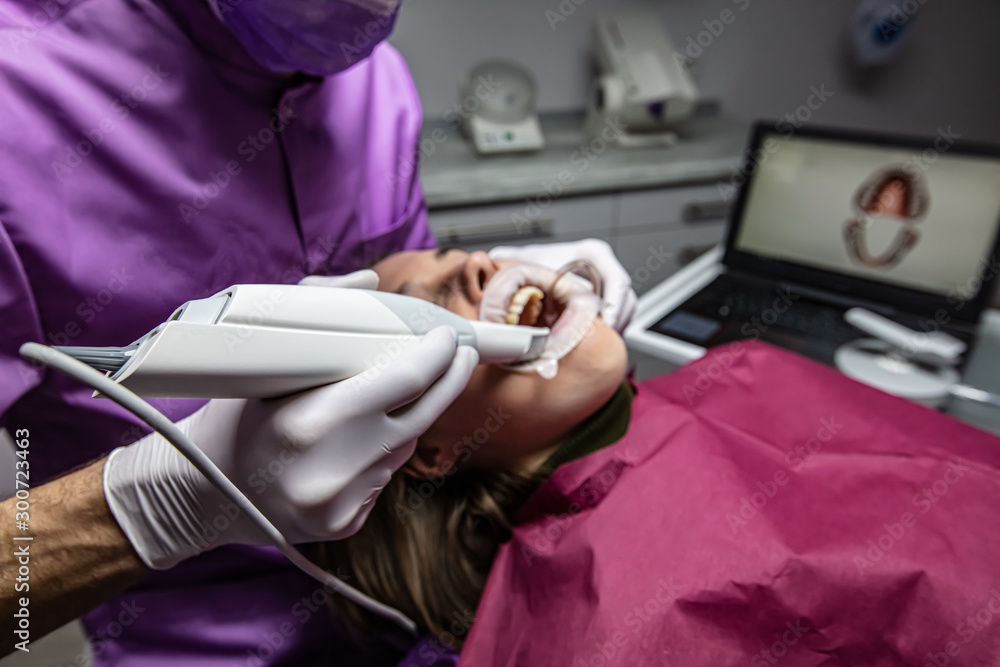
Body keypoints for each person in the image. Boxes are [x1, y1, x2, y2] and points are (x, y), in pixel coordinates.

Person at [0, 0, 637, 662]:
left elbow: (407, 293)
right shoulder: (16, 103)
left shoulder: (371, 76)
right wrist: (157, 503)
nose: (481, 265)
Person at [318, 248, 1000, 665]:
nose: (477, 264)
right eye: (428, 303)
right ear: (428, 449)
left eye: (454, 252)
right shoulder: (587, 629)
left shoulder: (738, 367)